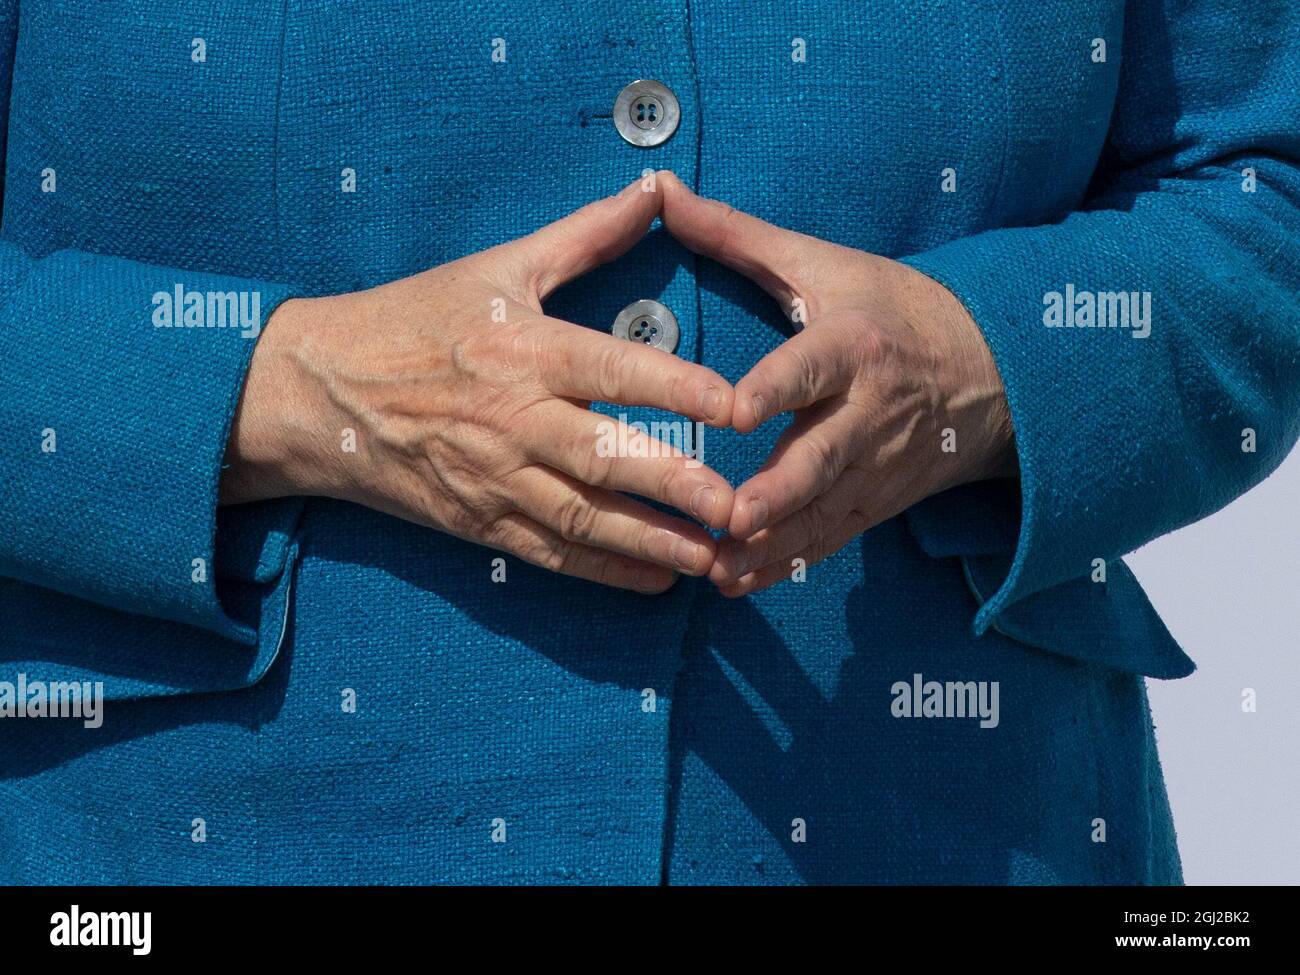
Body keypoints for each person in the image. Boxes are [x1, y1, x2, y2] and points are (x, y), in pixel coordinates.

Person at [1, 1, 1296, 884]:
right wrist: (295, 388)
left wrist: (979, 360)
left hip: (956, 824)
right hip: (185, 838)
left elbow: (1262, 192)